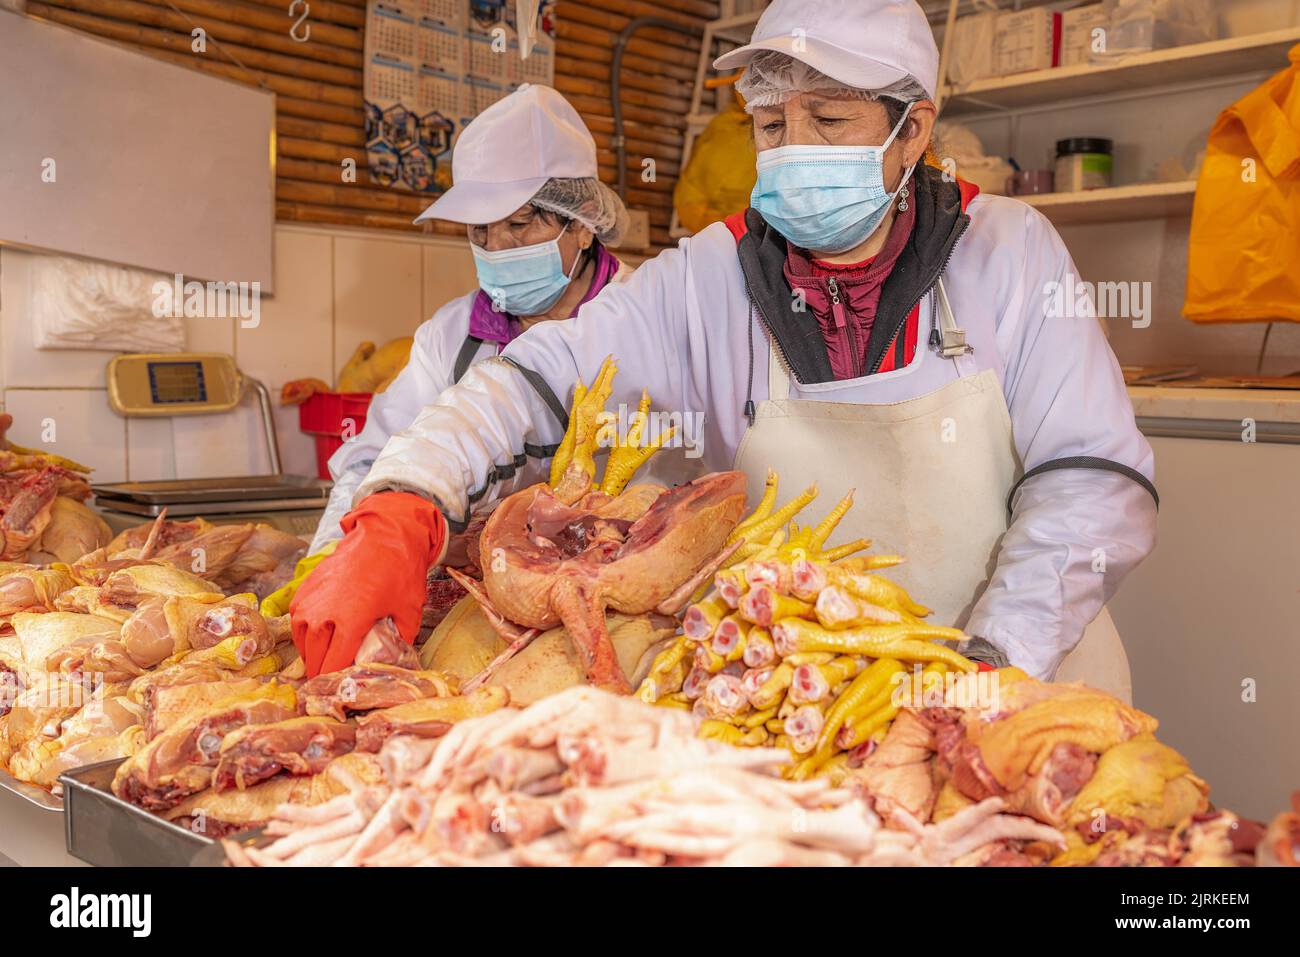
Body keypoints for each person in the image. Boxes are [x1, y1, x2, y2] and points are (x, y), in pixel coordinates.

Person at [292, 0, 1158, 697]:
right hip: (795, 698)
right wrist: (404, 503)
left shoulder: (1011, 250)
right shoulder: (709, 273)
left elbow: (1091, 479)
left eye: (829, 118)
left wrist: (992, 661)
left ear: (914, 129)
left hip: (1019, 678)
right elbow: (535, 376)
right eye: (772, 126)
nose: (792, 150)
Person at [307, 84, 634, 554]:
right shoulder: (450, 335)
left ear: (581, 224)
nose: (495, 246)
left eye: (519, 224)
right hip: (485, 584)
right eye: (479, 229)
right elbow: (376, 458)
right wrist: (328, 559)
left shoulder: (640, 313)